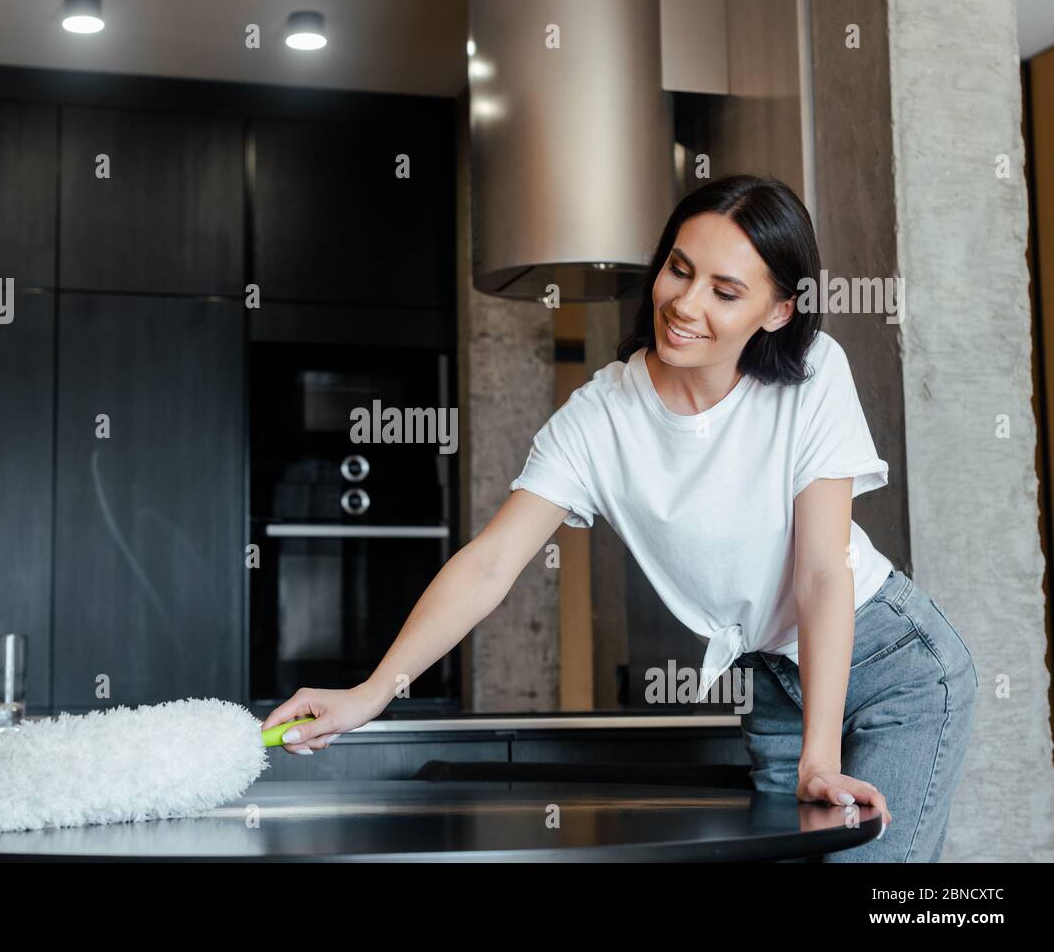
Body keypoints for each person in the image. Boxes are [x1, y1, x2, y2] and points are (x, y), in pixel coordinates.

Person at [261, 174, 979, 862]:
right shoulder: (601, 417)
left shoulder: (813, 374)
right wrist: (369, 693)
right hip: (774, 682)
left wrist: (819, 757)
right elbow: (489, 563)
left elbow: (823, 571)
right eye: (679, 268)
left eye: (725, 291)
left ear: (778, 310)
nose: (686, 304)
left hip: (892, 666)